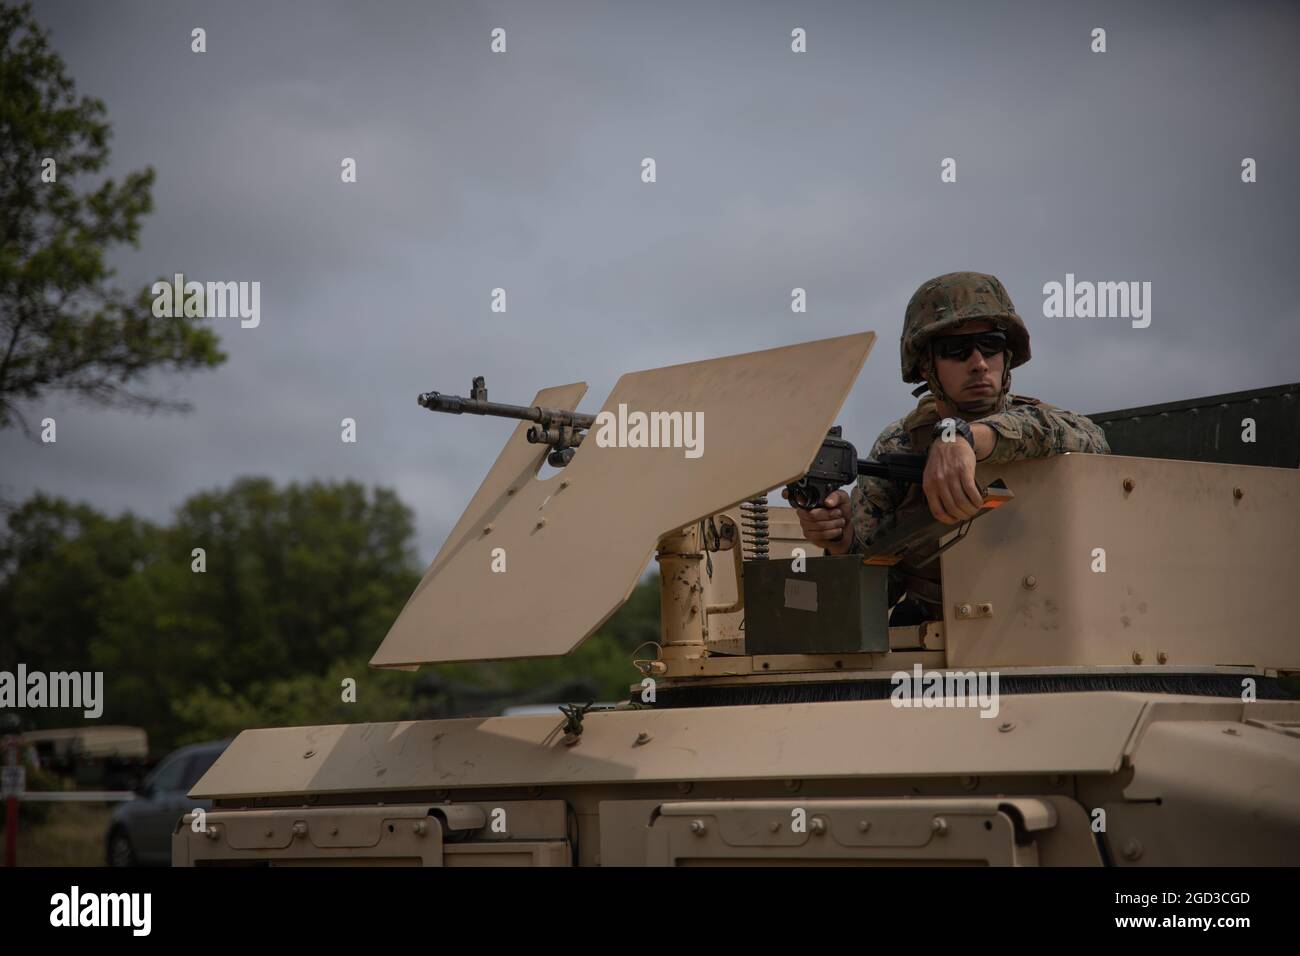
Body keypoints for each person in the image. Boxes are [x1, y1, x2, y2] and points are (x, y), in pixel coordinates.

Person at [790, 271, 1110, 623]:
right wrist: (841, 543)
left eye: (990, 345)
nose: (978, 363)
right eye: (955, 351)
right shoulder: (898, 445)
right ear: (927, 365)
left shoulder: (1043, 427)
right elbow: (876, 591)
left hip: (1049, 629)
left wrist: (964, 438)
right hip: (947, 641)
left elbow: (1092, 439)